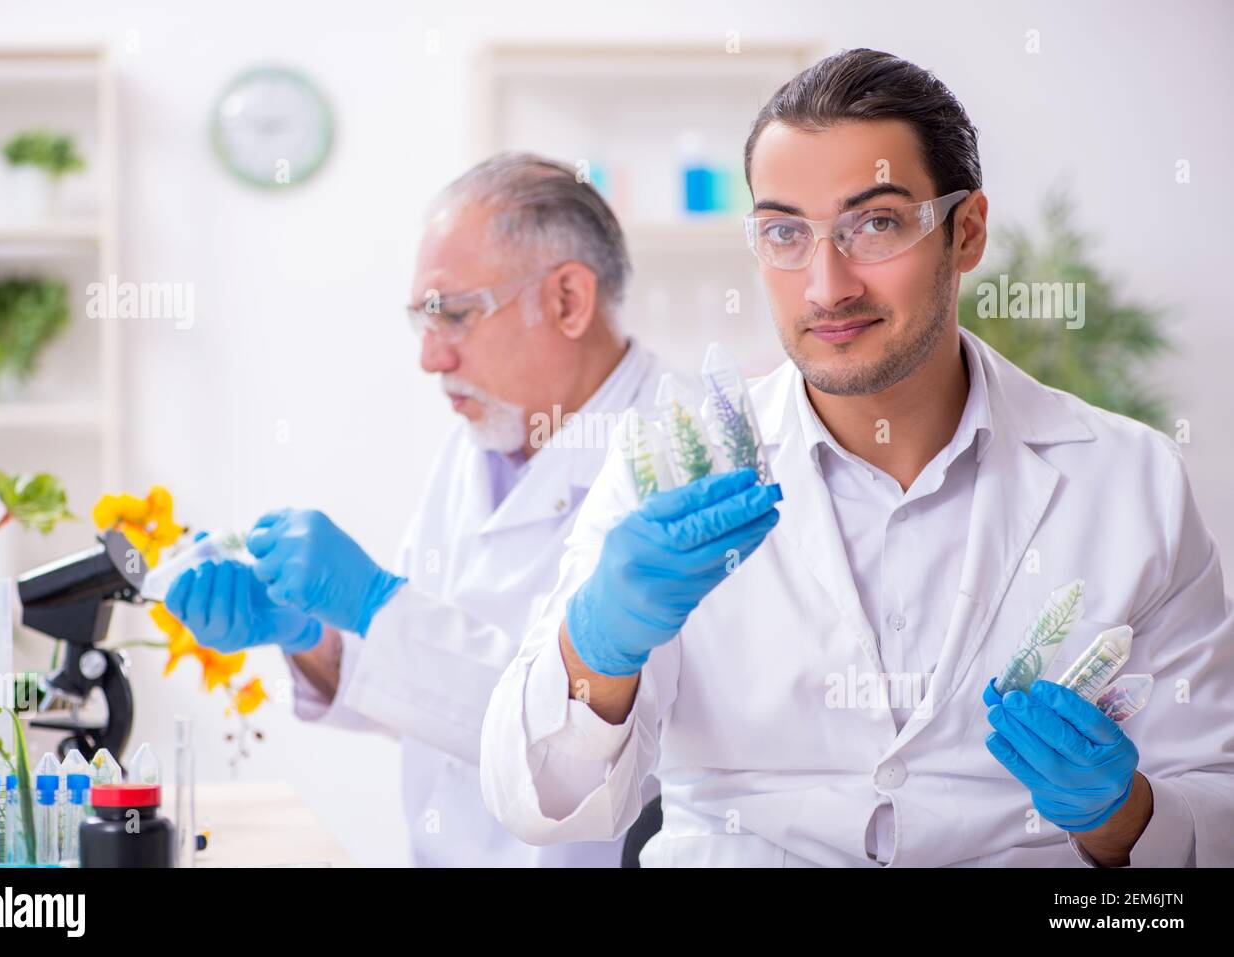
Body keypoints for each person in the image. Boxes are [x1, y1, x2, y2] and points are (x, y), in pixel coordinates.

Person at [480, 49, 1234, 867]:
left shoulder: (1132, 479)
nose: (825, 285)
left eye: (876, 224)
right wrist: (599, 642)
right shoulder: (666, 467)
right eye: (784, 233)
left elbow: (1214, 806)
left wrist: (1123, 813)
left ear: (967, 231)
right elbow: (538, 800)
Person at [166, 153, 667, 866]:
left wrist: (376, 603)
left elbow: (573, 739)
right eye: (422, 322)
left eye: (454, 315)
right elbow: (428, 692)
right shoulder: (480, 443)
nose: (431, 359)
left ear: (567, 301)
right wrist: (316, 634)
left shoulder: (677, 459)